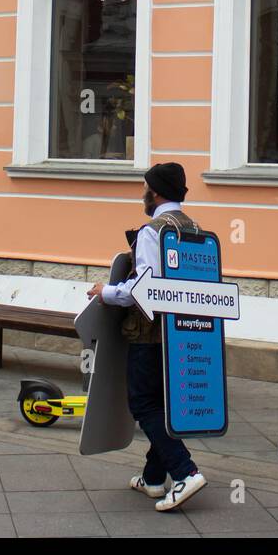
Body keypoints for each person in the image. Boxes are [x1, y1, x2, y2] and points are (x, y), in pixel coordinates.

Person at [86, 162, 207, 511]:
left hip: (148, 332)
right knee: (164, 404)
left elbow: (146, 287)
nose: (144, 193)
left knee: (144, 403)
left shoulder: (154, 231)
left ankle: (186, 472)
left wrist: (106, 291)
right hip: (182, 331)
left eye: (146, 187)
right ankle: (154, 479)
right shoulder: (195, 228)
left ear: (155, 192)